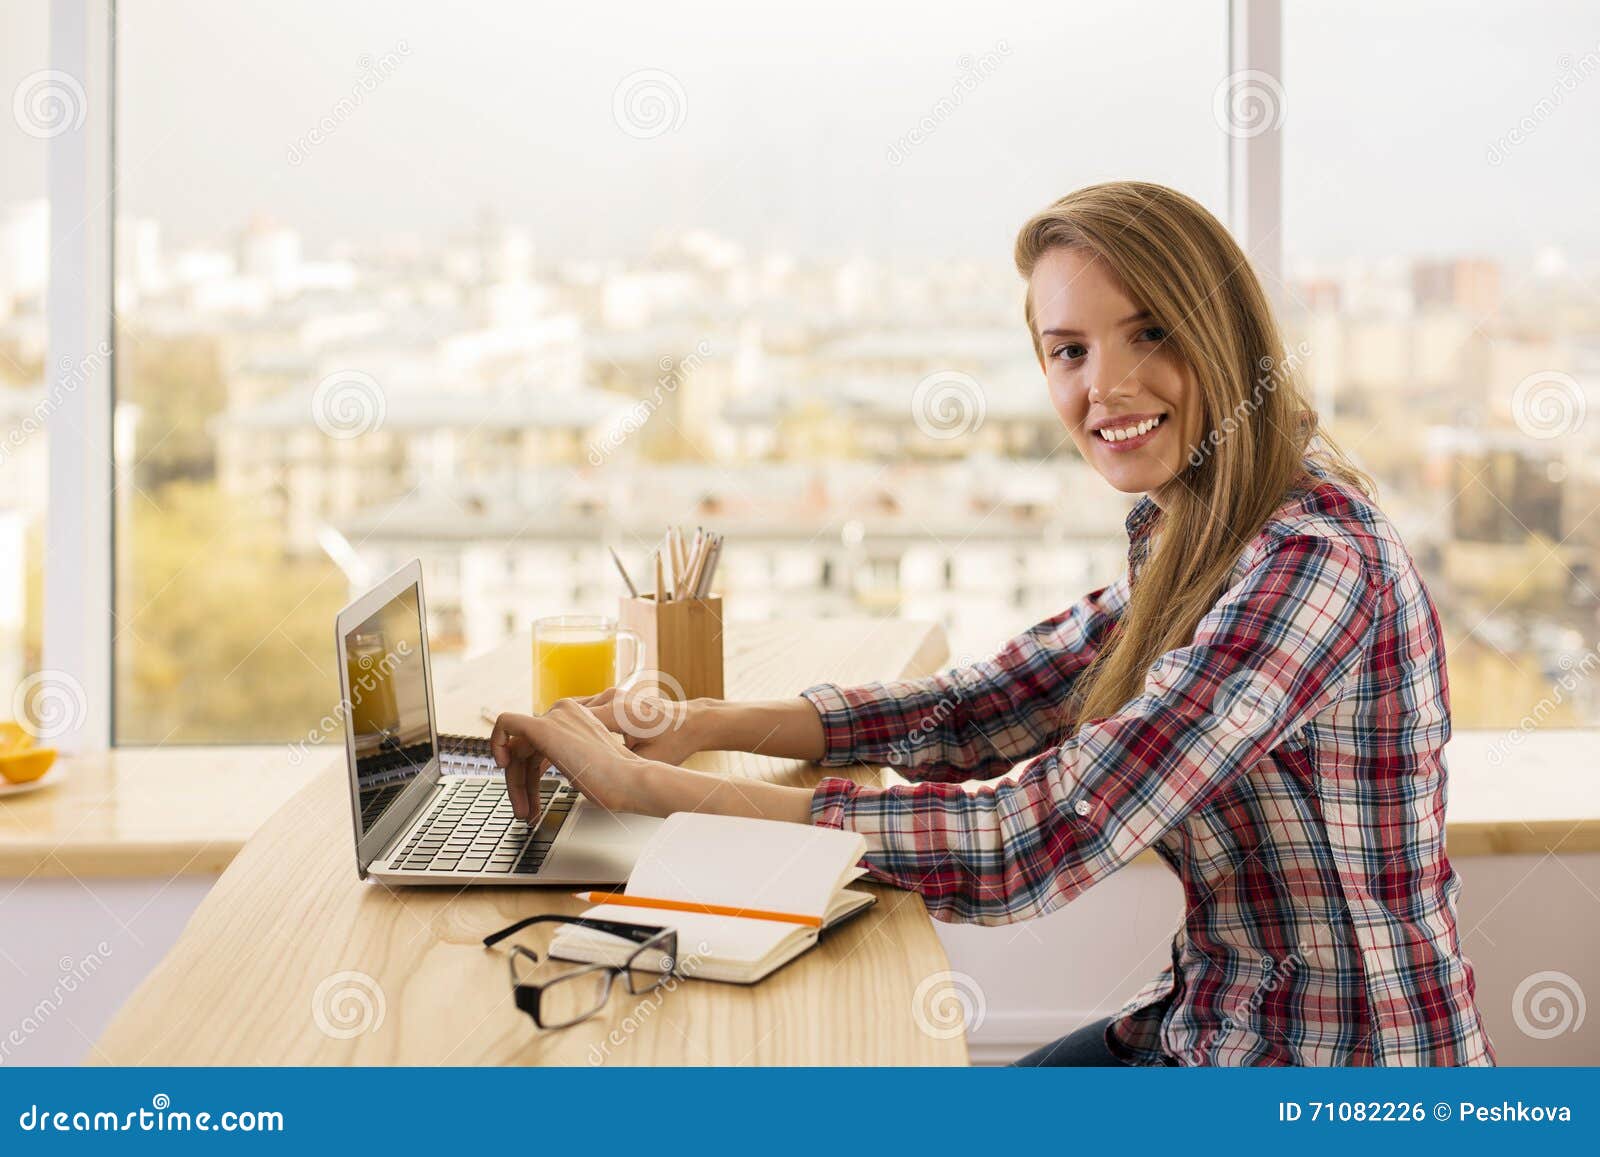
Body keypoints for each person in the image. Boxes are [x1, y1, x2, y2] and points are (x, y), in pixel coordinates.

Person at [489, 181, 1494, 1067]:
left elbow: (1032, 838)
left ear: (1225, 334)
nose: (1105, 385)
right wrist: (700, 722)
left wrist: (653, 792)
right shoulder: (1194, 533)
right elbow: (980, 708)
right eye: (1069, 349)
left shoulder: (1309, 569)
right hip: (1209, 1023)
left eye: (1150, 332)